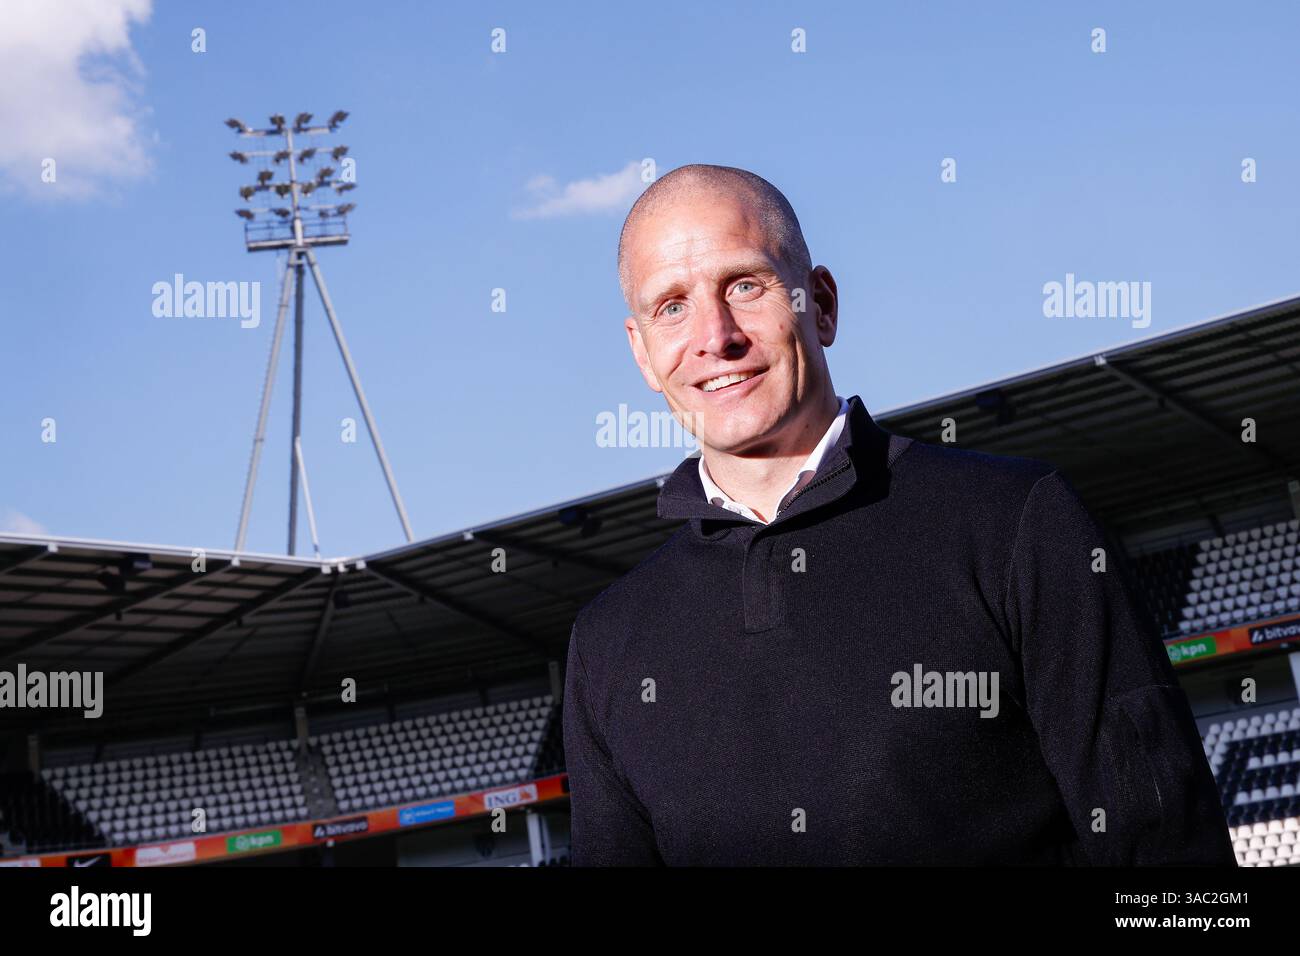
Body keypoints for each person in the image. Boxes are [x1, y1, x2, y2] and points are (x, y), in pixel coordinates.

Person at [563, 164, 1234, 865]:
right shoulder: (607, 643)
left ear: (820, 303)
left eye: (745, 284)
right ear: (641, 352)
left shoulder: (1015, 523)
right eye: (671, 306)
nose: (716, 335)